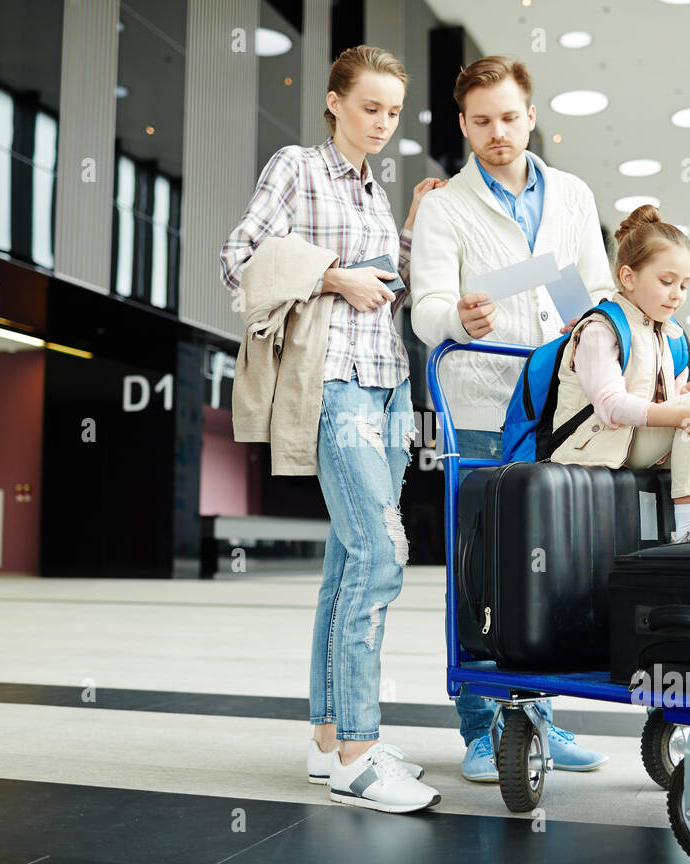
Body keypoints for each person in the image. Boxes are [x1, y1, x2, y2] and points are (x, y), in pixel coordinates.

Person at [220, 45, 445, 813]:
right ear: (334, 102)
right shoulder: (298, 167)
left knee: (347, 559)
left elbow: (383, 285)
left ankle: (328, 740)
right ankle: (358, 752)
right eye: (369, 106)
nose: (382, 121)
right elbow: (238, 258)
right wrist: (329, 275)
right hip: (335, 387)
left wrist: (406, 232)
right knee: (382, 553)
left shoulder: (376, 193)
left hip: (386, 389)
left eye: (392, 110)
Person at [409, 55, 610, 783]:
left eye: (510, 117)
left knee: (551, 568)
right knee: (480, 571)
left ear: (531, 116)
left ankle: (542, 720)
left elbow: (595, 289)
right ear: (464, 125)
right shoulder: (444, 207)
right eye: (482, 121)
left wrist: (588, 323)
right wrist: (456, 314)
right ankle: (478, 724)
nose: (498, 132)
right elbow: (425, 308)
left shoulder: (575, 196)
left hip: (557, 411)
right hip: (485, 407)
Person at [549, 205, 690, 541]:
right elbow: (611, 407)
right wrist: (683, 411)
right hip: (600, 442)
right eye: (667, 281)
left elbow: (669, 401)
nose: (677, 294)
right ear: (628, 277)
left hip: (637, 439)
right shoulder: (600, 329)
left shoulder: (671, 335)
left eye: (684, 285)